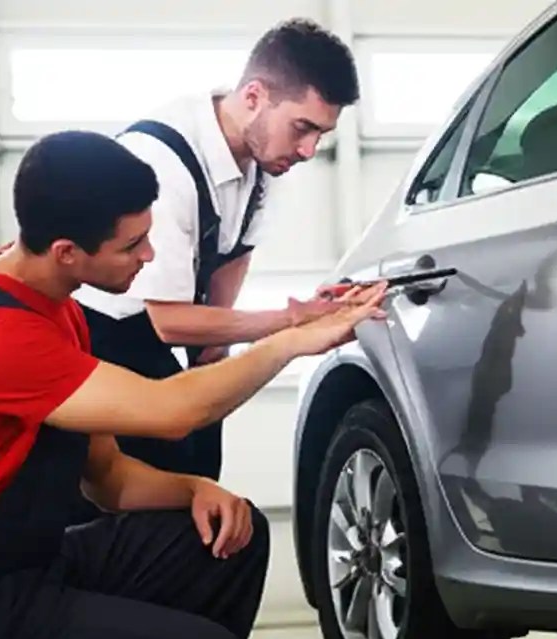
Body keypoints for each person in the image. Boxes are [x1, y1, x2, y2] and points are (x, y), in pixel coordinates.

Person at [0, 129, 386, 639]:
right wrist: (293, 341)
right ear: (67, 251)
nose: (148, 257)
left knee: (231, 538)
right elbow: (173, 411)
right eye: (133, 245)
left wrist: (192, 488)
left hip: (24, 567)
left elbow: (106, 477)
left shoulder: (56, 305)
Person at [74, 18, 361, 483]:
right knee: (144, 509)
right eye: (302, 128)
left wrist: (217, 349)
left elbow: (230, 263)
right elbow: (169, 321)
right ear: (253, 97)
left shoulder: (268, 163)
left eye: (321, 135)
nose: (309, 150)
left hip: (175, 341)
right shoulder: (161, 163)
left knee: (202, 483)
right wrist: (293, 322)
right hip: (103, 342)